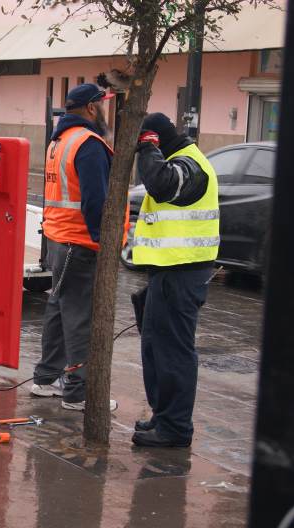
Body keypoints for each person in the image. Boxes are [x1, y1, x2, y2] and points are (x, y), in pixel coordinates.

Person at [30, 83, 125, 412]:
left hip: (59, 237)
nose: (106, 110)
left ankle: (46, 379)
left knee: (59, 307)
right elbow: (96, 201)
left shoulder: (59, 140)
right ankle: (77, 392)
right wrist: (104, 244)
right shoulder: (89, 144)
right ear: (91, 108)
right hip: (80, 241)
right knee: (79, 317)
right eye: (103, 104)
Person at [130, 112, 219, 448]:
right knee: (155, 347)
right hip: (168, 270)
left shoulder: (191, 165)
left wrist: (147, 149)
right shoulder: (178, 160)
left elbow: (163, 184)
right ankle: (163, 415)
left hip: (183, 271)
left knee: (173, 352)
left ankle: (176, 428)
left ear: (157, 140)